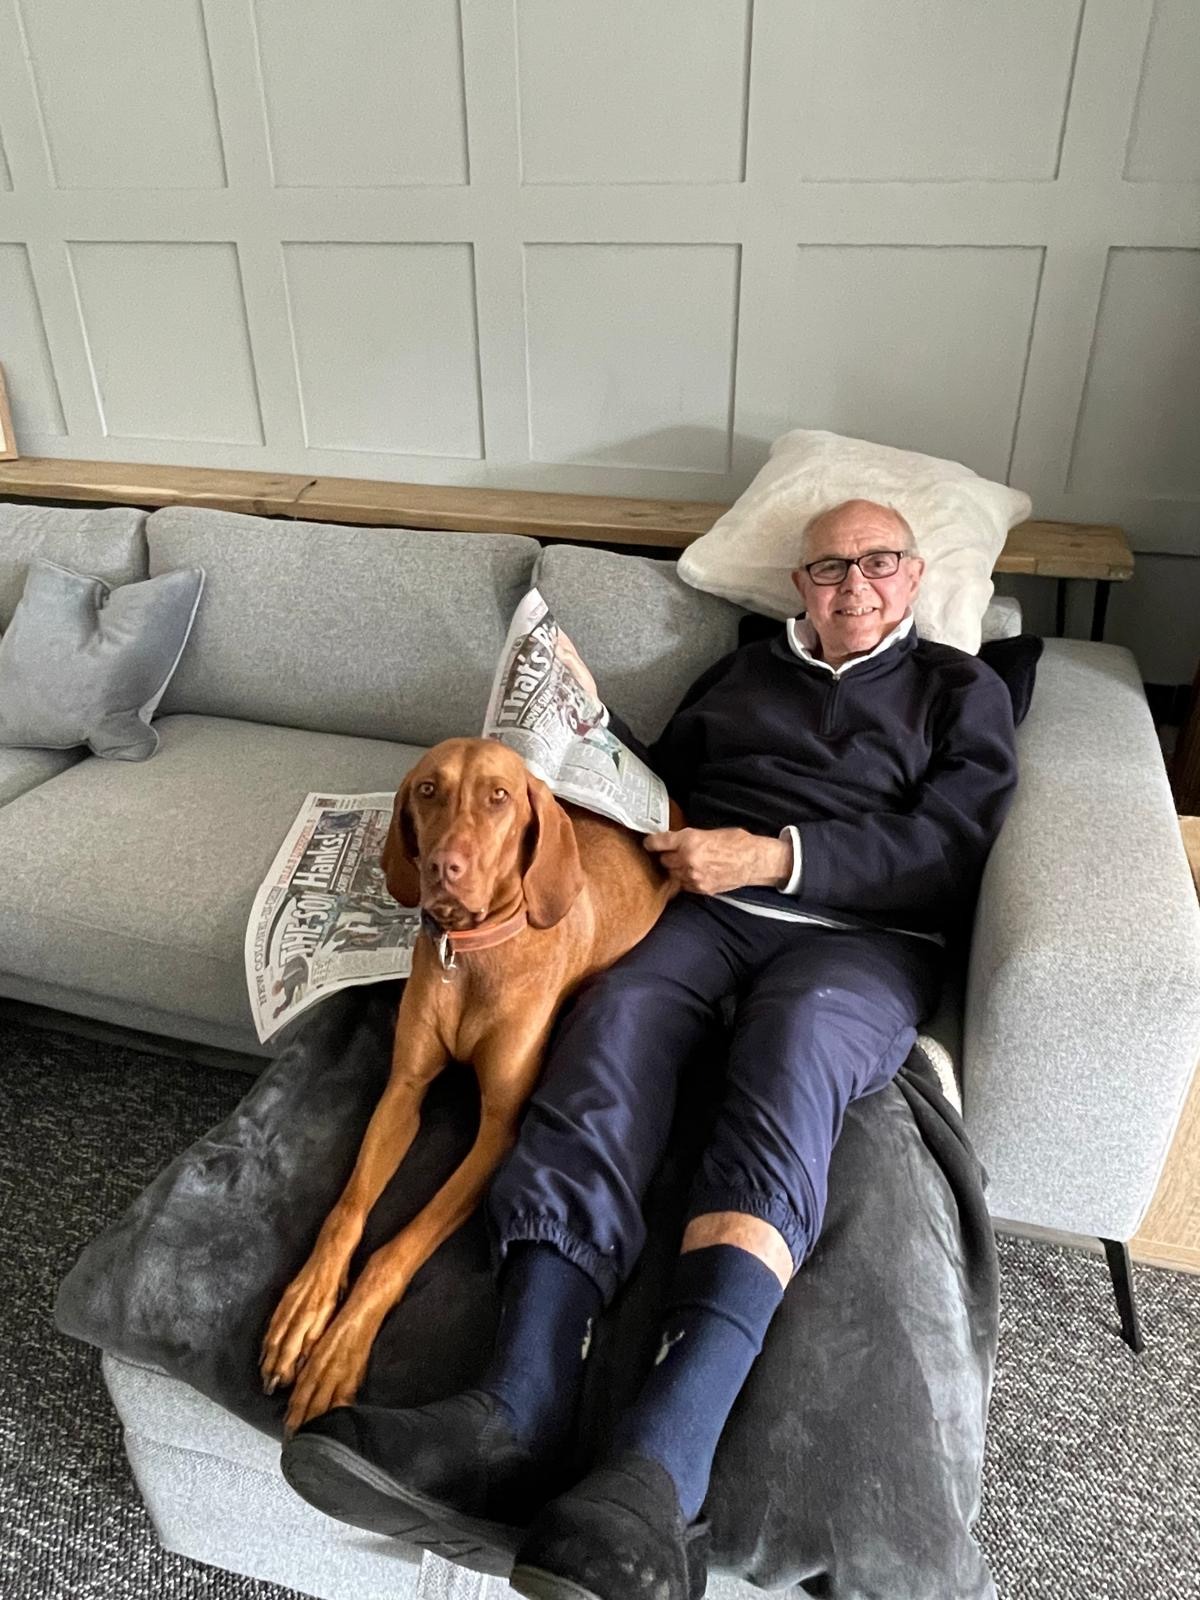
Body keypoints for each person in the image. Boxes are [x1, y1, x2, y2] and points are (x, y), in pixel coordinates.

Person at [283, 499, 1019, 1600]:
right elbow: (656, 784)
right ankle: (516, 1410)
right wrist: (589, 734)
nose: (854, 586)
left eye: (879, 563)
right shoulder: (744, 675)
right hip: (703, 913)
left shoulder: (961, 689)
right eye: (829, 568)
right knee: (609, 1025)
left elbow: (950, 848)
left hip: (860, 938)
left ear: (914, 577)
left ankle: (656, 1475)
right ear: (801, 585)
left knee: (793, 1052)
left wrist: (771, 856)